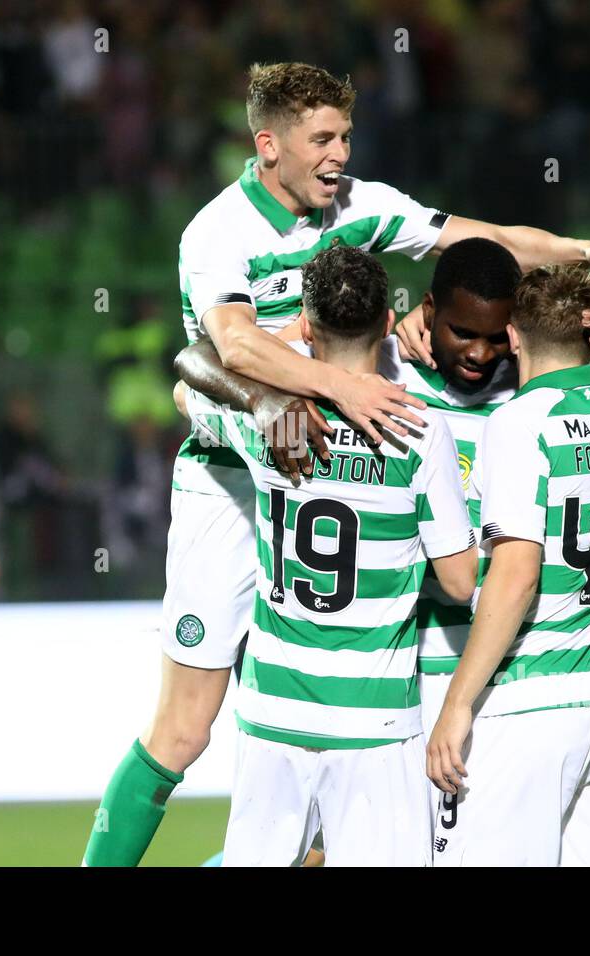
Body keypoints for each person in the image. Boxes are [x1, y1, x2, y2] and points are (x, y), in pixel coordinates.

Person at [83, 60, 590, 866]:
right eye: (321, 138)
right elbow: (225, 349)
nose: (338, 155)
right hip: (234, 479)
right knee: (183, 728)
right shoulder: (217, 233)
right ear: (268, 144)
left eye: (345, 136)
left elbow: (482, 243)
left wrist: (578, 248)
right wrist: (335, 387)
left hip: (346, 476)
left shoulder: (363, 206)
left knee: (328, 769)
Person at [176, 238, 590, 863]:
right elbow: (211, 363)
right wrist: (269, 396)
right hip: (402, 681)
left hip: (480, 685)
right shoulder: (381, 376)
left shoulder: (537, 399)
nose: (479, 353)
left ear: (519, 335)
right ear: (421, 315)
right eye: (461, 332)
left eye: (496, 337)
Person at [182, 246, 477, 865]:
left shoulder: (281, 420)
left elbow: (189, 380)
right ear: (390, 319)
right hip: (372, 723)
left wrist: (268, 377)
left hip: (273, 711)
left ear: (310, 326)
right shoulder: (417, 430)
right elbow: (457, 579)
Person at [426, 264, 590, 865]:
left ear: (513, 335)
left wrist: (458, 703)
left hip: (533, 705)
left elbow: (517, 574)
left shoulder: (517, 423)